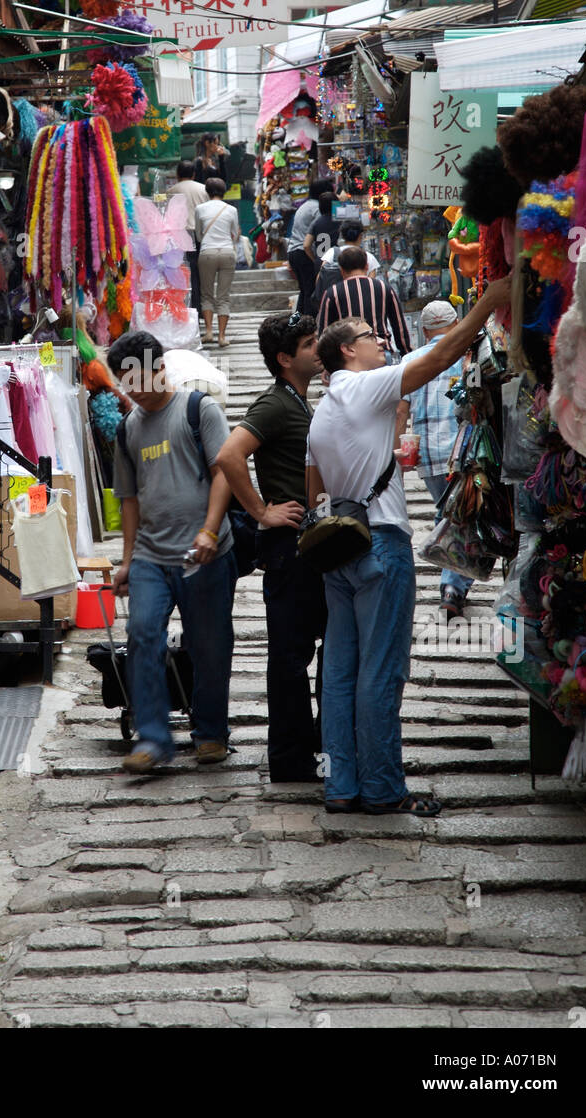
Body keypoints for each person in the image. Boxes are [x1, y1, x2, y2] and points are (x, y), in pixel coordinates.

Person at [305, 275, 512, 818]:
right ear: (348, 350)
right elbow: (438, 356)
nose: (381, 342)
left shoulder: (326, 408)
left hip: (339, 551)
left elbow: (315, 489)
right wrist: (488, 303)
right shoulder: (357, 385)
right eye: (372, 336)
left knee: (343, 671)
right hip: (380, 544)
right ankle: (381, 788)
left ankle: (342, 785)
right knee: (382, 670)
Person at [108, 330, 238, 773]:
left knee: (209, 644)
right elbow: (129, 500)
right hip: (150, 555)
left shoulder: (199, 410)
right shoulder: (127, 428)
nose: (134, 392)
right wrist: (126, 561)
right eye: (126, 384)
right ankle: (153, 737)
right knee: (142, 633)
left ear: (159, 368)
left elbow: (225, 473)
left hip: (204, 553)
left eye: (139, 380)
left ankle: (210, 732)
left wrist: (209, 530)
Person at [216, 311, 327, 782]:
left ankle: (310, 747)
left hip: (305, 546)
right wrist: (263, 511)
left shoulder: (299, 401)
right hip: (287, 547)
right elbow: (228, 454)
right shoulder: (276, 404)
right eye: (307, 344)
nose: (317, 348)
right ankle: (288, 759)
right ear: (284, 359)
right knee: (288, 654)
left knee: (307, 648)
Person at [402, 299, 473, 619]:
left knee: (448, 513)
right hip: (465, 451)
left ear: (425, 328)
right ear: (456, 324)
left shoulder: (410, 360)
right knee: (458, 517)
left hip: (428, 452)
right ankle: (452, 587)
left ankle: (452, 583)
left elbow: (400, 412)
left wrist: (396, 456)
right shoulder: (467, 356)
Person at [316, 246, 412, 357]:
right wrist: (406, 353)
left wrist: (327, 365)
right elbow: (399, 326)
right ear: (367, 266)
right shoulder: (384, 288)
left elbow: (325, 333)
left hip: (349, 358)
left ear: (341, 270)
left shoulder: (332, 293)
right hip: (380, 353)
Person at [195, 177, 240, 348]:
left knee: (206, 294)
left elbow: (199, 236)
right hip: (227, 252)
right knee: (223, 296)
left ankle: (208, 332)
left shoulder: (200, 209)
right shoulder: (231, 210)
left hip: (207, 252)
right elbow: (234, 234)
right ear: (224, 191)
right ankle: (222, 336)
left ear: (207, 191)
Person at [287, 179, 335, 314]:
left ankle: (297, 325)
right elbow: (319, 234)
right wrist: (316, 259)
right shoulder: (317, 209)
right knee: (311, 292)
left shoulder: (305, 206)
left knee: (304, 291)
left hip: (294, 252)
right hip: (304, 253)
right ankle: (308, 326)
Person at [171, 159, 208, 312]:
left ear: (178, 174)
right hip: (201, 234)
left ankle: (191, 307)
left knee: (186, 272)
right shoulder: (204, 189)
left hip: (180, 236)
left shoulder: (171, 191)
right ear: (193, 174)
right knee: (201, 273)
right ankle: (201, 307)